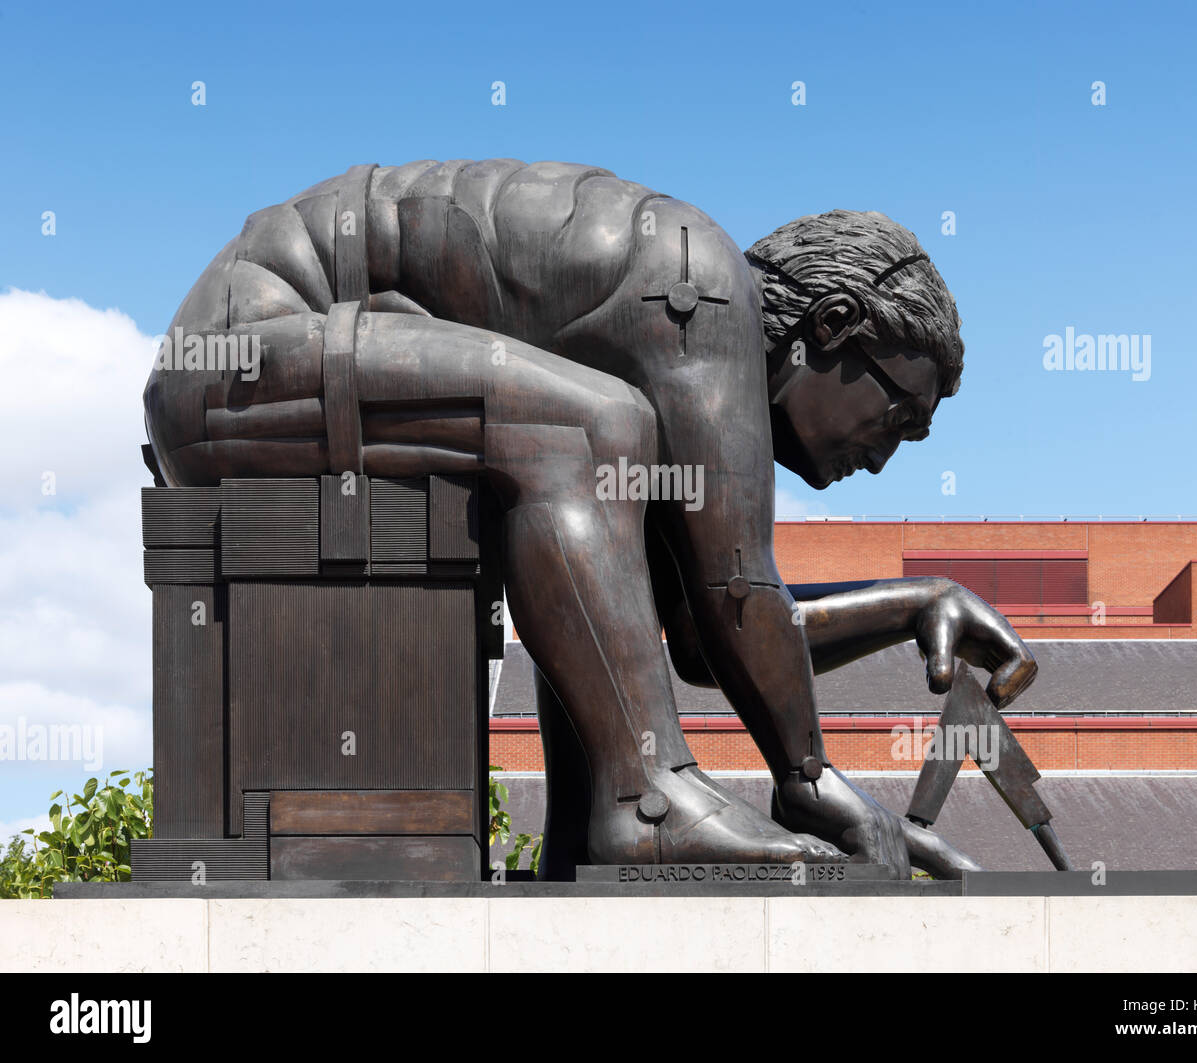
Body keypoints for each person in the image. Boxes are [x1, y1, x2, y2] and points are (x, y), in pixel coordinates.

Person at [144, 159, 1038, 878]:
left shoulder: (668, 359)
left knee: (593, 466)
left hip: (275, 365)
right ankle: (646, 802)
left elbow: (689, 630)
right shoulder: (705, 286)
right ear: (831, 326)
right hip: (239, 355)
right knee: (588, 429)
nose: (883, 454)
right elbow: (737, 594)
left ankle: (593, 824)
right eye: (897, 416)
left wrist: (916, 603)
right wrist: (812, 782)